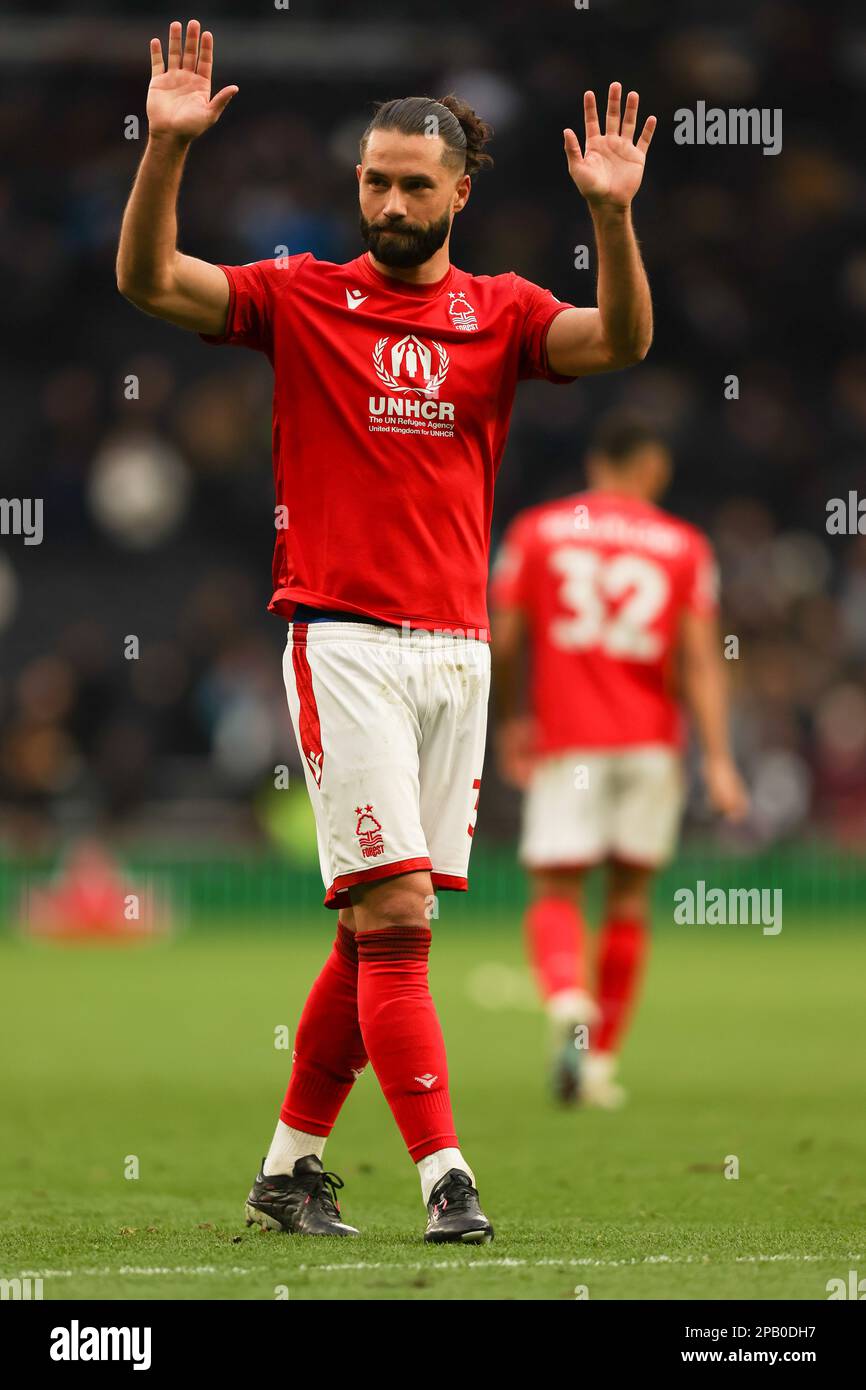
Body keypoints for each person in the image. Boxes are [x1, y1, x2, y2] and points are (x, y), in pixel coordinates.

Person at [116, 19, 656, 1241]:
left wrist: (613, 220)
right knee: (399, 920)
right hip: (344, 639)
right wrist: (165, 151)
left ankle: (288, 1171)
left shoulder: (504, 313)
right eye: (374, 178)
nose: (390, 198)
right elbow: (152, 282)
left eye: (415, 181)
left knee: (375, 933)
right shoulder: (304, 297)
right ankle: (445, 1177)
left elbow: (620, 340)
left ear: (460, 192)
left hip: (454, 653)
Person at [491, 413, 749, 1108]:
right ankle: (599, 1061)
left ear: (594, 464)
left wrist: (513, 718)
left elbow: (506, 639)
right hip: (648, 743)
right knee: (628, 899)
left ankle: (568, 996)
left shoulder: (536, 532)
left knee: (556, 891)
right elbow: (700, 661)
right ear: (650, 469)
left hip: (566, 740)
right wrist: (720, 760)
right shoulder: (683, 545)